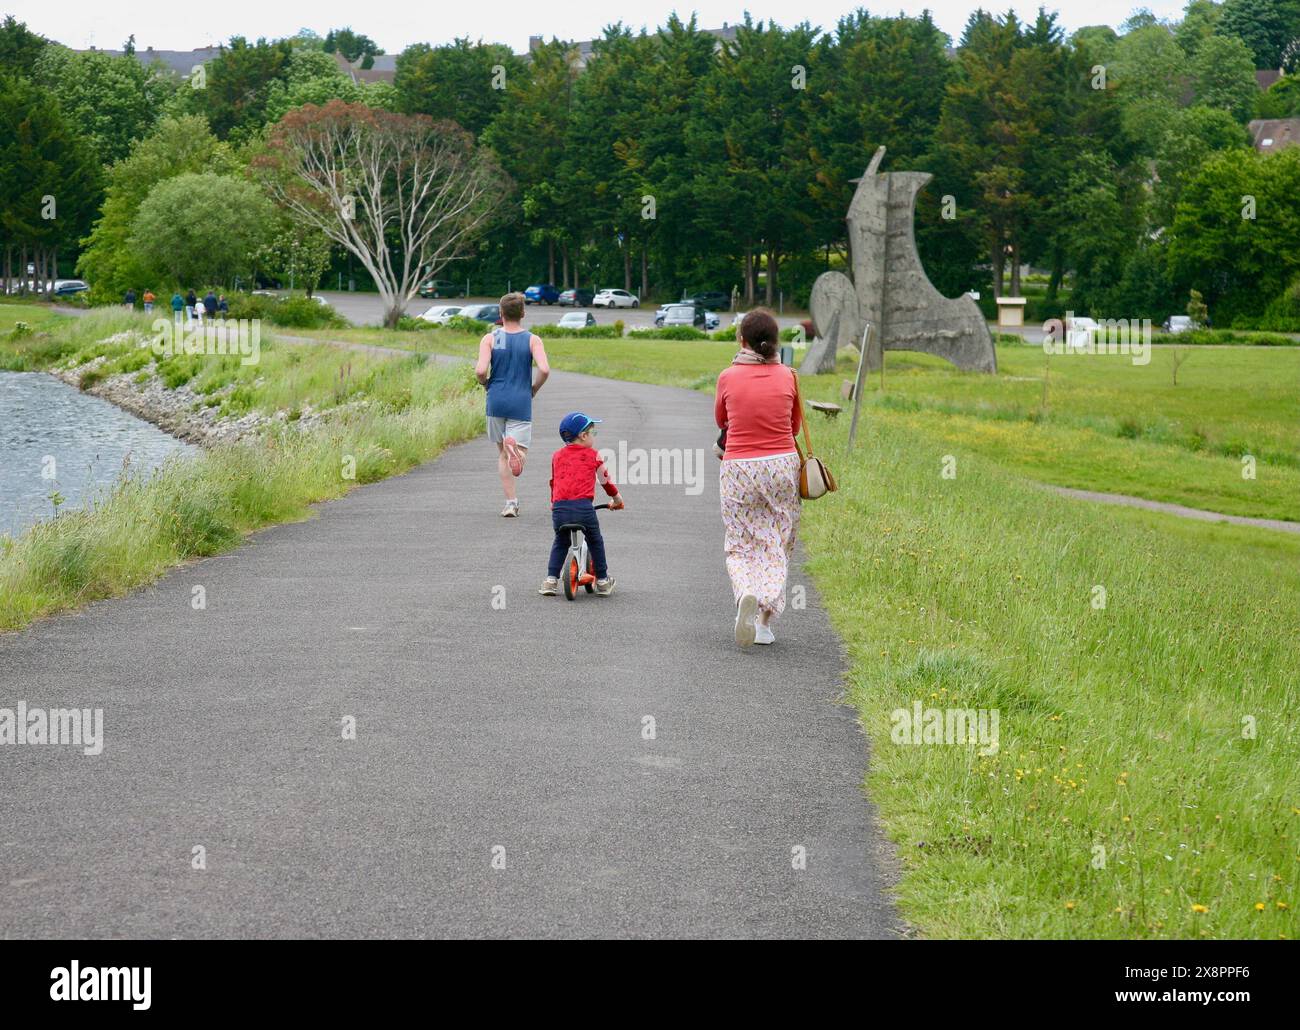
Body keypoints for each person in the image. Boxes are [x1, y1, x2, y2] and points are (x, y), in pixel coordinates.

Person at [714, 308, 802, 647]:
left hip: (739, 467)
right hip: (781, 464)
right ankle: (765, 621)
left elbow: (722, 420)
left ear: (742, 341)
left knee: (740, 542)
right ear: (776, 342)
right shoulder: (789, 376)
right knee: (778, 541)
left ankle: (746, 593)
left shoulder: (727, 377)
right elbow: (793, 427)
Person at [474, 292, 550, 517]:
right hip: (520, 401)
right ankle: (517, 452)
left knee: (502, 456)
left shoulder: (490, 338)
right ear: (523, 313)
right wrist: (534, 388)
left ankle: (510, 503)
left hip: (496, 400)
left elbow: (480, 370)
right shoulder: (532, 339)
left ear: (500, 314)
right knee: (519, 451)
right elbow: (544, 369)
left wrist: (486, 383)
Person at [539, 412, 623, 597]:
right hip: (583, 509)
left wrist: (554, 504)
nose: (594, 436)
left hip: (560, 509)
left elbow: (554, 482)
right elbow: (605, 481)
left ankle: (550, 581)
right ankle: (602, 581)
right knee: (595, 540)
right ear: (583, 436)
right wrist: (617, 499)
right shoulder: (593, 455)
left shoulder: (557, 456)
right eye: (593, 432)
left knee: (561, 541)